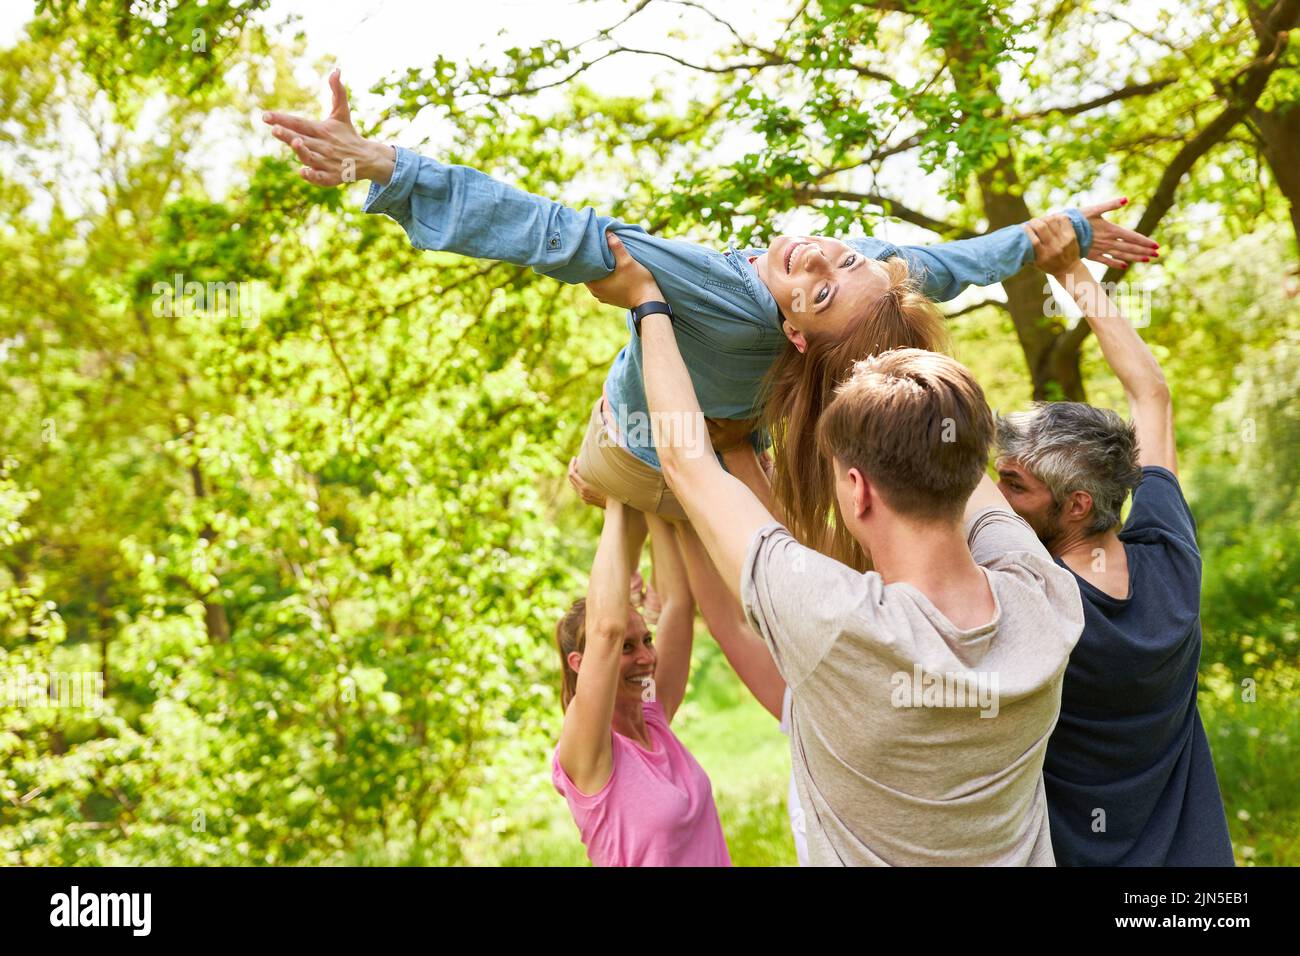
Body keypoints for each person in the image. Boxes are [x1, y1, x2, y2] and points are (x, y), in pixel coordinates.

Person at [262, 69, 1158, 567]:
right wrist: (1063, 234)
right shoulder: (872, 302)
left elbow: (558, 234)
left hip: (649, 441)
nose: (818, 256)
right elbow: (957, 265)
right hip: (730, 451)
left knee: (629, 494)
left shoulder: (724, 293)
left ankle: (601, 478)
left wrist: (387, 167)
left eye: (817, 288)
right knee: (723, 566)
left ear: (803, 336)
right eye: (838, 256)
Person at [585, 233, 1085, 865]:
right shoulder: (1046, 596)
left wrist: (649, 304)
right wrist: (873, 322)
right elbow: (956, 457)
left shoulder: (840, 626)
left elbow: (687, 463)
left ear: (857, 492)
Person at [992, 215, 1234, 866]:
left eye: (1014, 484)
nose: (994, 495)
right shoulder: (1169, 555)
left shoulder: (1038, 603)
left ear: (1075, 505)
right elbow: (1151, 396)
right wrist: (1073, 273)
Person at [551, 497, 730, 867]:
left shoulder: (651, 710)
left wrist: (650, 494)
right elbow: (606, 629)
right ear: (580, 664)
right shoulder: (589, 749)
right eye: (627, 648)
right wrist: (617, 497)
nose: (647, 658)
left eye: (646, 640)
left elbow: (677, 603)